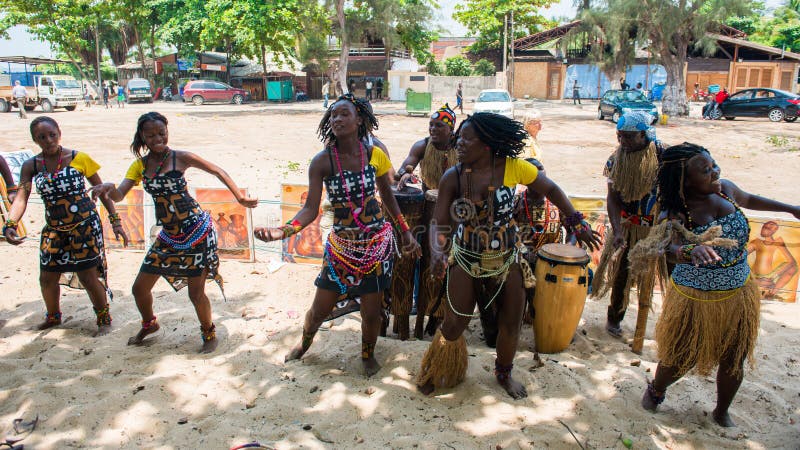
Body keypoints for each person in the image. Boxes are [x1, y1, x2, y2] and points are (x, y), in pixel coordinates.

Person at [416, 112, 601, 399]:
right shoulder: (453, 176)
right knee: (454, 323)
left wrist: (576, 219)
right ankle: (438, 368)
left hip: (506, 259)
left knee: (511, 322)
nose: (459, 142)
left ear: (487, 144)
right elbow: (439, 222)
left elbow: (550, 188)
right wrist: (438, 250)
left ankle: (504, 373)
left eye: (467, 138)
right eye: (459, 137)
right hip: (467, 258)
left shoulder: (514, 168)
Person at [633, 142, 800, 427]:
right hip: (695, 298)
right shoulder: (674, 213)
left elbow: (750, 198)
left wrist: (792, 209)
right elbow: (665, 248)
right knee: (680, 356)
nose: (714, 172)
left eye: (713, 165)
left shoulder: (726, 190)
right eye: (705, 170)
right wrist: (689, 251)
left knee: (734, 356)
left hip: (737, 292)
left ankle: (722, 411)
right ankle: (657, 388)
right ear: (684, 180)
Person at [253, 94, 420, 377]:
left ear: (359, 121)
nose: (338, 120)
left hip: (376, 245)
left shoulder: (373, 154)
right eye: (333, 115)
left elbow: (388, 196)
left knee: (370, 313)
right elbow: (309, 209)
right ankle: (304, 346)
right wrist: (282, 232)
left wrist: (405, 232)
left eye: (344, 114)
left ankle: (367, 357)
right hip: (341, 249)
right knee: (319, 310)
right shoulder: (321, 162)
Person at [90, 112, 257, 353]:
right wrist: (108, 188)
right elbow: (119, 195)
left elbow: (217, 171)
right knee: (139, 288)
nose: (158, 138)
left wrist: (239, 197)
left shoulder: (181, 157)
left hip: (196, 231)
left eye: (162, 133)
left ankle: (209, 334)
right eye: (151, 135)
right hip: (169, 236)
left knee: (195, 293)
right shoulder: (140, 165)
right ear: (142, 137)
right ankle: (150, 324)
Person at [3, 117, 129, 333]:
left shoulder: (79, 158)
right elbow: (22, 196)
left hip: (84, 226)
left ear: (59, 133)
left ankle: (104, 320)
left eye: (52, 135)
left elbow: (102, 191)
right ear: (35, 139)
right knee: (46, 277)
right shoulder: (31, 165)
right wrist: (11, 223)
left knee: (87, 276)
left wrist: (115, 221)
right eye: (42, 137)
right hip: (54, 228)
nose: (48, 140)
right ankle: (53, 317)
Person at [591, 111, 664, 341]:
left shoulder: (662, 156)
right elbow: (612, 198)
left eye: (629, 137)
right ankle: (614, 318)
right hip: (628, 226)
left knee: (660, 277)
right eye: (620, 136)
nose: (623, 142)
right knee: (621, 275)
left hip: (655, 228)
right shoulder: (615, 160)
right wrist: (619, 230)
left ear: (644, 134)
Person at [747, 221, 798, 301]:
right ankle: (764, 289)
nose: (765, 228)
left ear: (775, 230)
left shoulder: (777, 242)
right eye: (764, 227)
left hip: (769, 279)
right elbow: (741, 255)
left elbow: (792, 261)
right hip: (754, 278)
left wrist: (774, 275)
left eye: (768, 227)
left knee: (794, 267)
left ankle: (772, 292)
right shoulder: (756, 242)